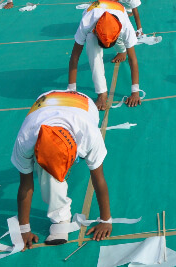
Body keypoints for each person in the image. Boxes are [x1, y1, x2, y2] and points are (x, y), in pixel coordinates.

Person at [11, 90, 113, 247]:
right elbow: (25, 185)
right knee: (48, 173)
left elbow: (98, 178)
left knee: (55, 171)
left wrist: (106, 220)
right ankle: (61, 218)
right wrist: (24, 229)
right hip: (47, 99)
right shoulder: (25, 140)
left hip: (84, 104)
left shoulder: (90, 136)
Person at [67, 0, 141, 111]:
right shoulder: (87, 22)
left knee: (123, 45)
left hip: (117, 12)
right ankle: (102, 94)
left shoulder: (125, 26)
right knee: (91, 40)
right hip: (95, 15)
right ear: (96, 31)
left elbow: (133, 59)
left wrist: (135, 91)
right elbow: (75, 57)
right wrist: (71, 90)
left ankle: (121, 51)